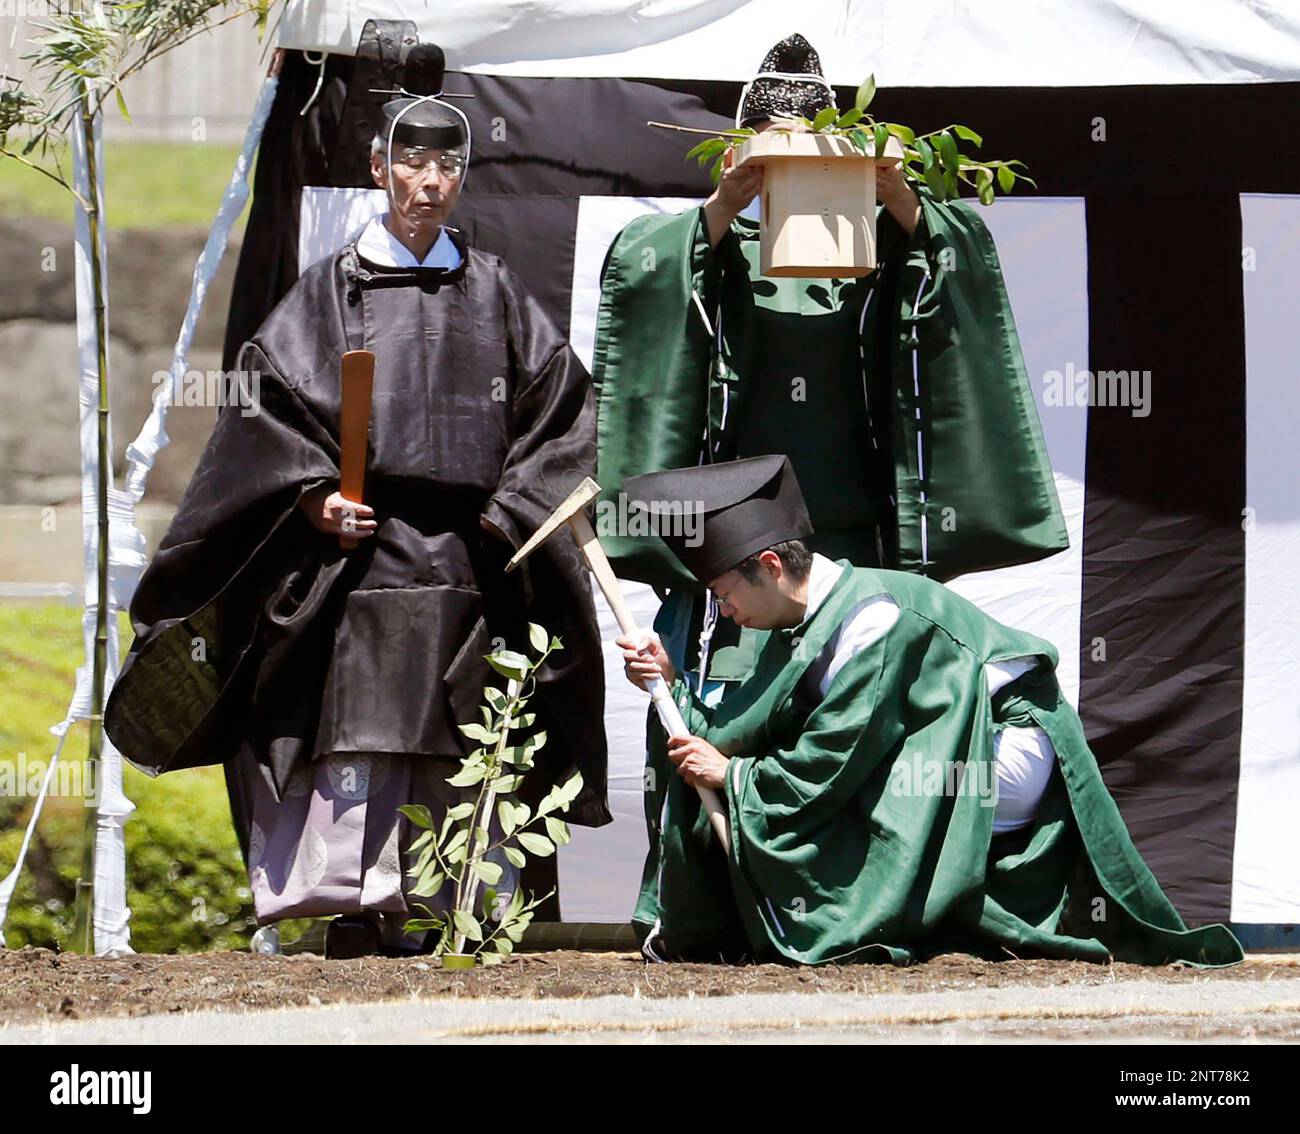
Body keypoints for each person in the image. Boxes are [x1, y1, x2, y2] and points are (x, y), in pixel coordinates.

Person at [106, 69, 610, 958]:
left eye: (445, 167)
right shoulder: (328, 291)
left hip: (471, 560)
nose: (426, 183)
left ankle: (442, 905)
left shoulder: (494, 293)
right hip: (356, 562)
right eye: (409, 163)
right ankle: (354, 906)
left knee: (462, 734)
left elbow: (565, 413)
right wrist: (312, 497)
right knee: (356, 734)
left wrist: (509, 513)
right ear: (379, 169)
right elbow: (261, 418)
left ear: (461, 179)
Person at [616, 455, 1242, 967]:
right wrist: (668, 686)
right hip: (941, 742)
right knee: (832, 786)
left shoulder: (874, 619)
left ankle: (859, 920)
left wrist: (733, 777)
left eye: (725, 595)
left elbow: (831, 758)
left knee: (860, 799)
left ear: (772, 567)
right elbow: (758, 725)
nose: (725, 613)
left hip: (1004, 750)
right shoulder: (800, 623)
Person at [593, 31, 1068, 699]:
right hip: (737, 547)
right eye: (771, 146)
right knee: (731, 718)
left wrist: (897, 193)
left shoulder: (868, 255)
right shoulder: (715, 247)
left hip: (850, 535)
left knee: (855, 711)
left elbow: (952, 265)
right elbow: (649, 275)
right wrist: (726, 202)